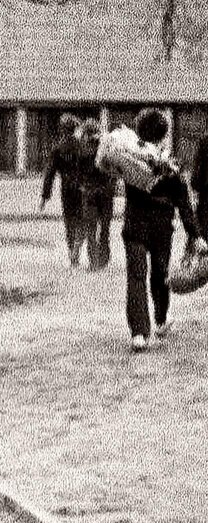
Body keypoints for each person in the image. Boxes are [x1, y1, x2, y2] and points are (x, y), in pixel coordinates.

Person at [120, 108, 207, 352]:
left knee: (136, 276)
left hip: (134, 225)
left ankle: (139, 332)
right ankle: (160, 319)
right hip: (161, 228)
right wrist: (195, 235)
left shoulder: (129, 158)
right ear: (164, 134)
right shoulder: (169, 164)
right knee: (160, 273)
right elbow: (184, 203)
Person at [41, 113, 88, 269]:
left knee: (69, 222)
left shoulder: (57, 148)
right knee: (82, 220)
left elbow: (50, 173)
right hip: (82, 187)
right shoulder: (82, 146)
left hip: (66, 188)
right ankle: (77, 247)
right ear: (74, 128)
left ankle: (72, 256)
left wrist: (44, 196)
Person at [75, 118, 117, 271]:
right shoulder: (106, 149)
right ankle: (104, 258)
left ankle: (93, 262)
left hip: (90, 193)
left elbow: (78, 174)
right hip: (106, 193)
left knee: (91, 229)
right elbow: (114, 171)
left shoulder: (83, 151)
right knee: (105, 228)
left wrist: (82, 187)